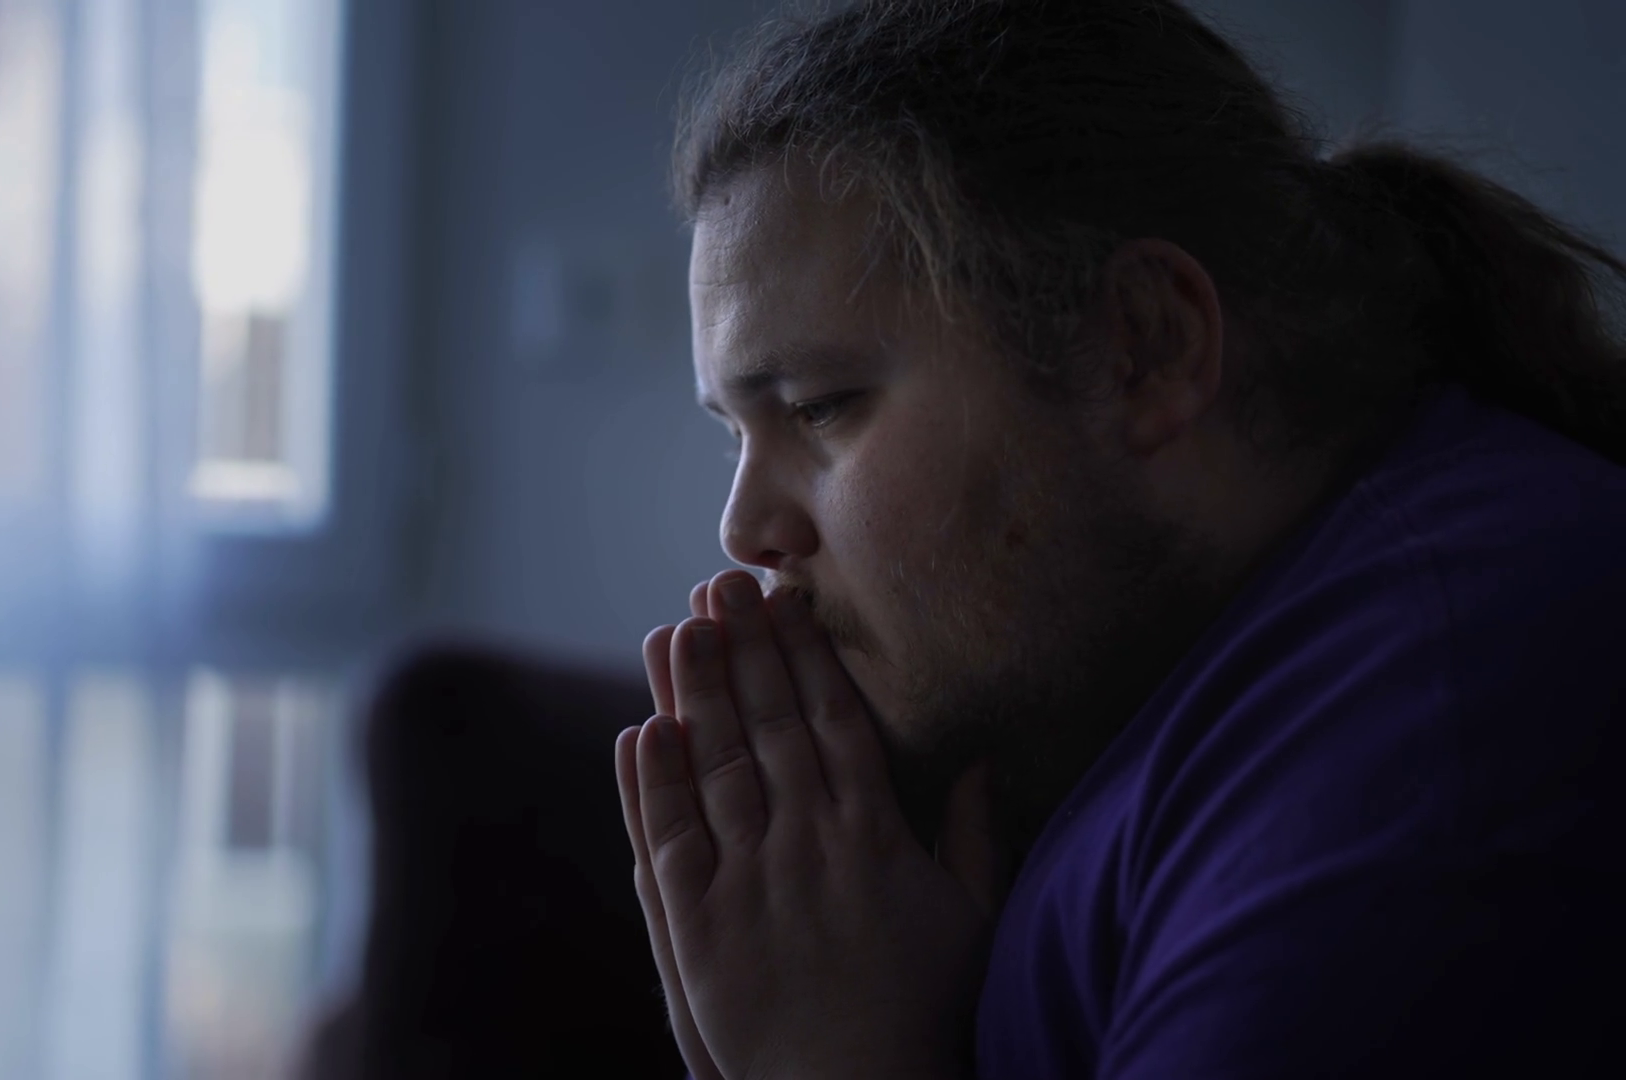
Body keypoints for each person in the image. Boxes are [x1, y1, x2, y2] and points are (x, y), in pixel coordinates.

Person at [610, 1, 1626, 1077]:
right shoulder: (1152, 673)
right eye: (734, 434)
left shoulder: (1429, 755)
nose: (744, 529)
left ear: (1144, 347)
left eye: (819, 407)